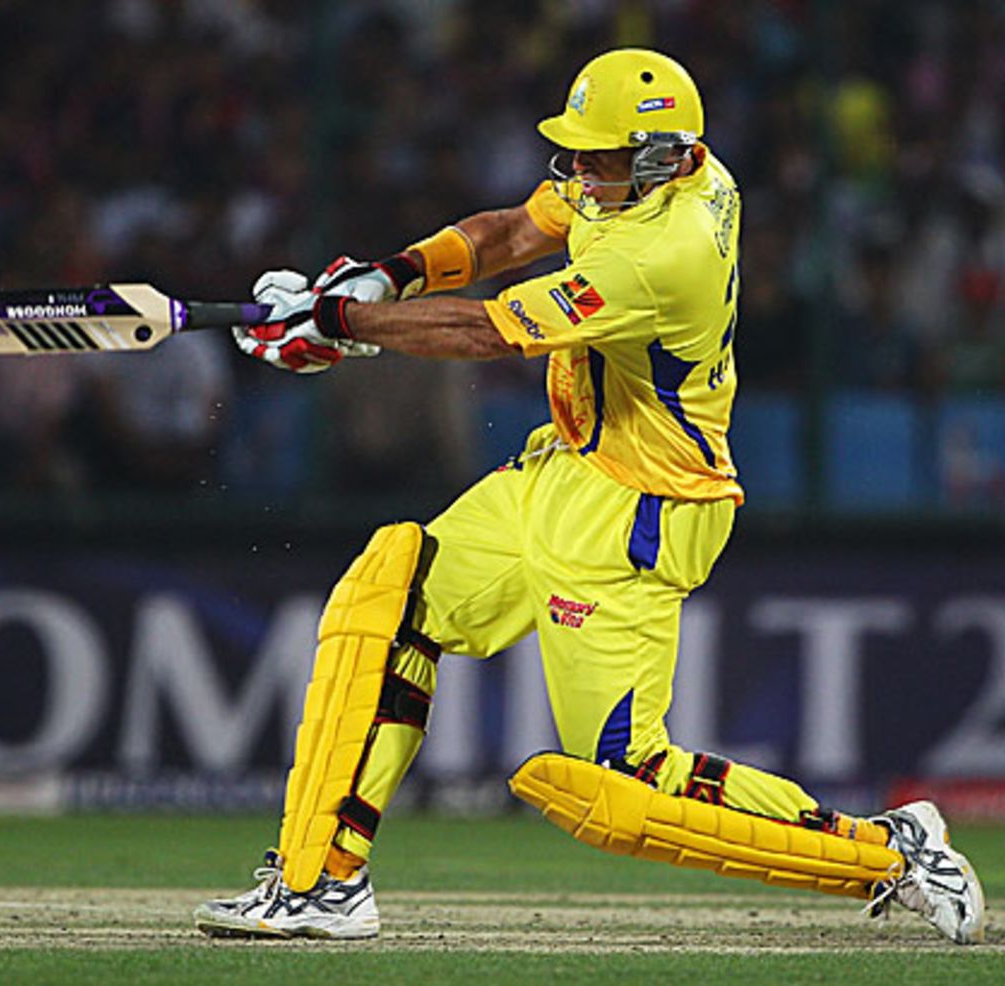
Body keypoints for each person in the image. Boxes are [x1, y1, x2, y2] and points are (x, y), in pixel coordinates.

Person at [194, 49, 984, 945]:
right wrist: (384, 278)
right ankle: (319, 883)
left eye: (598, 159)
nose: (577, 173)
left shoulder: (665, 252)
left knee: (627, 783)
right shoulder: (641, 173)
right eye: (575, 153)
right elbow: (504, 235)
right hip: (564, 467)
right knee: (389, 598)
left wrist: (337, 324)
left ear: (663, 158)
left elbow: (492, 332)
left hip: (639, 515)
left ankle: (892, 854)